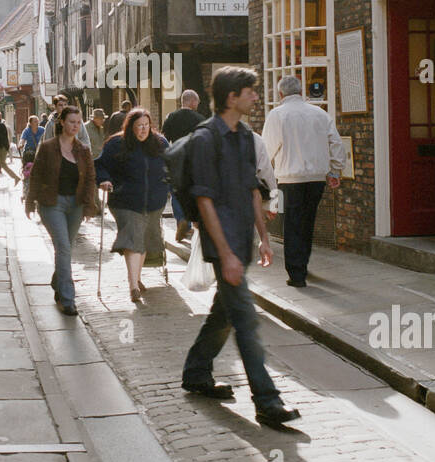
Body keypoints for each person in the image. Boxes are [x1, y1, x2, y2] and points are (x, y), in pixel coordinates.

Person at [180, 66, 301, 427]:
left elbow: (253, 190)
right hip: (222, 246)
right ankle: (266, 400)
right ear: (232, 97)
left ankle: (196, 372)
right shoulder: (205, 139)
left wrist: (263, 237)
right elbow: (203, 202)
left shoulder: (246, 137)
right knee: (246, 320)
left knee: (224, 315)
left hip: (241, 240)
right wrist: (227, 254)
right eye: (249, 91)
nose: (255, 97)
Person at [260, 75, 346, 287]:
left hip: (289, 178)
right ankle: (303, 265)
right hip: (317, 178)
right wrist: (335, 171)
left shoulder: (277, 115)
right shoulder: (320, 113)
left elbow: (266, 150)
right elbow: (335, 143)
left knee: (292, 224)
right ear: (300, 92)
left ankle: (296, 274)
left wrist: (263, 179)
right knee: (307, 223)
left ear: (281, 94)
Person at [26, 105, 100, 315]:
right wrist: (30, 202)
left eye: (78, 122)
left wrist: (89, 204)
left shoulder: (83, 150)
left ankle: (58, 281)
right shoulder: (48, 147)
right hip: (52, 203)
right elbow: (37, 175)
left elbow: (90, 179)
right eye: (71, 122)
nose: (75, 126)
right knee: (64, 247)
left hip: (74, 205)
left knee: (65, 248)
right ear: (62, 122)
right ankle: (68, 299)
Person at [96, 106, 169, 304]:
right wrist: (104, 180)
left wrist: (170, 182)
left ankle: (136, 277)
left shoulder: (160, 143)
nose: (143, 130)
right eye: (138, 126)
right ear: (130, 127)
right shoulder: (116, 144)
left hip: (153, 201)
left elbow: (171, 164)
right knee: (133, 237)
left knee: (141, 240)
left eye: (146, 126)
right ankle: (133, 286)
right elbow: (100, 165)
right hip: (125, 200)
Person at [162, 89, 205, 241]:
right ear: (192, 101)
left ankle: (181, 220)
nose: (198, 104)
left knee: (176, 192)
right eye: (197, 102)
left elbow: (164, 138)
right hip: (194, 160)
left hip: (176, 159)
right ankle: (192, 221)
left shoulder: (171, 117)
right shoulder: (200, 118)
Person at [0, 110, 21, 186]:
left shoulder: (1, 125)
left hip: (1, 148)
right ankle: (14, 178)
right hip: (0, 148)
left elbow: (0, 139)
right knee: (2, 165)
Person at [18, 114, 45, 201]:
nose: (37, 123)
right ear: (30, 123)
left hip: (40, 154)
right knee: (27, 174)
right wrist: (20, 144)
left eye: (37, 121)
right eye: (35, 121)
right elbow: (22, 140)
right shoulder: (27, 131)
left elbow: (48, 137)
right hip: (29, 154)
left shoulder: (42, 130)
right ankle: (25, 193)